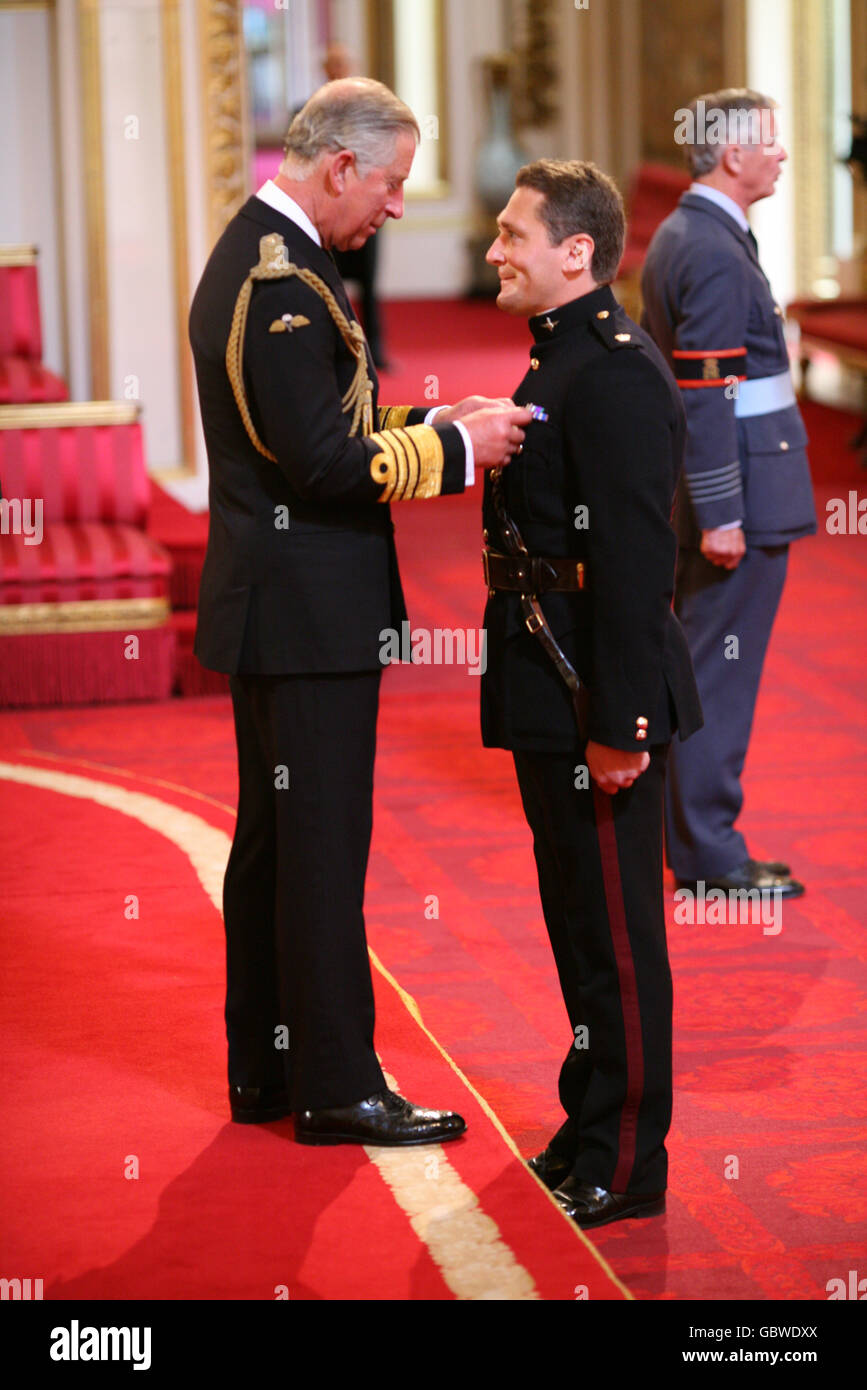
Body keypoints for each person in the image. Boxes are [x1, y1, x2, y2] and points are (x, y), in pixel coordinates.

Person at [189, 77, 530, 1146]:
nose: (391, 207)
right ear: (341, 166)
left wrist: (437, 413)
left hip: (283, 602)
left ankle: (268, 1070)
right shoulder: (278, 282)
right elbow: (329, 463)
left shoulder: (271, 255)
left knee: (280, 842)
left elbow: (325, 416)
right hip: (304, 608)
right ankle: (338, 1084)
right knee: (321, 849)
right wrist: (463, 451)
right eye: (388, 185)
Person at [480, 159, 702, 1228]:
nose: (494, 250)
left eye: (513, 234)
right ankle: (588, 1118)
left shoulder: (611, 368)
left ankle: (629, 1153)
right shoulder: (559, 359)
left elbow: (632, 561)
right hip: (547, 675)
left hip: (592, 694)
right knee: (577, 924)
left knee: (618, 938)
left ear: (576, 253)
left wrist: (624, 724)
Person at [641, 89, 816, 901]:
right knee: (717, 678)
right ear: (729, 157)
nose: (781, 154)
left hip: (742, 483)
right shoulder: (708, 246)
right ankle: (709, 855)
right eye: (770, 143)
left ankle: (700, 840)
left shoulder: (699, 232)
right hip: (738, 492)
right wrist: (721, 514)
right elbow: (705, 391)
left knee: (709, 669)